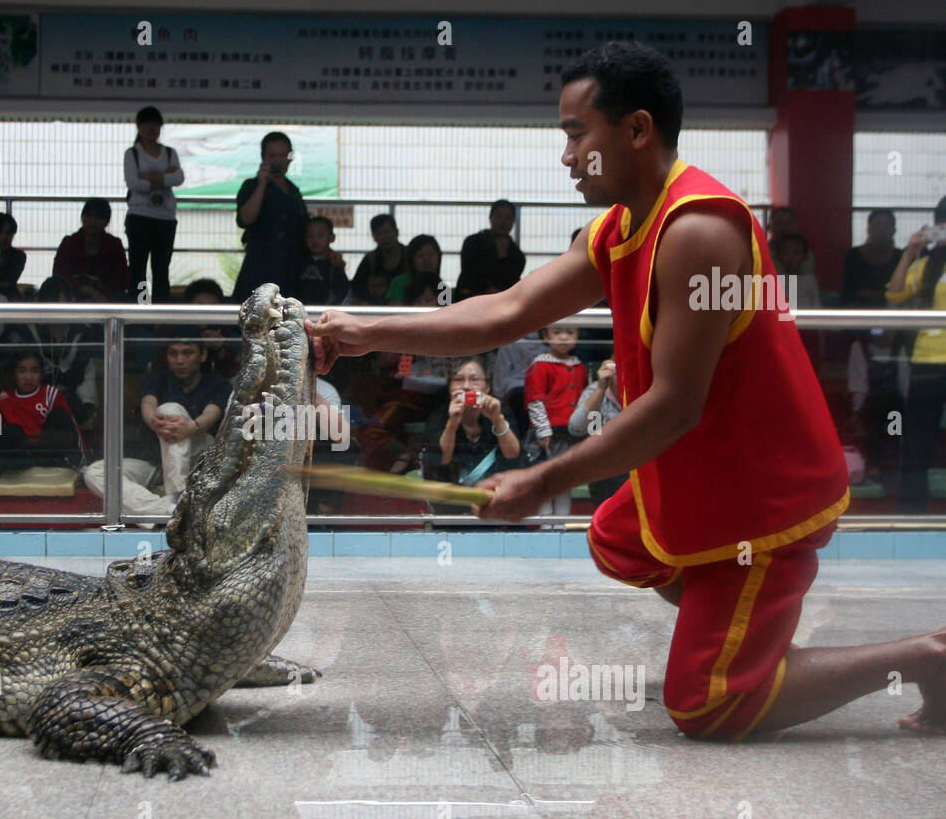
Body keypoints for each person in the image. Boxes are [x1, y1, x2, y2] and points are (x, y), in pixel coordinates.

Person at [308, 42, 944, 739]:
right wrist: (369, 330)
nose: (566, 154)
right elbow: (508, 309)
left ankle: (920, 656)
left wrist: (541, 478)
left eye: (576, 133)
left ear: (636, 131)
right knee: (619, 537)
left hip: (762, 497)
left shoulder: (697, 230)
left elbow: (674, 407)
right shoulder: (617, 228)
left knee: (707, 707)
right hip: (704, 477)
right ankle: (743, 635)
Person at [82, 325, 231, 522]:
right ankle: (167, 510)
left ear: (202, 355)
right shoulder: (157, 378)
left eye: (188, 353)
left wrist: (192, 427)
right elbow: (148, 404)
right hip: (157, 462)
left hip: (200, 458)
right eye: (173, 354)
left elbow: (212, 412)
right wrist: (154, 420)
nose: (180, 360)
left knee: (170, 411)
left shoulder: (217, 383)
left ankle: (177, 495)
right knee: (95, 472)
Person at [886, 196, 946, 513]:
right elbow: (895, 293)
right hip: (928, 363)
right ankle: (912, 513)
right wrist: (910, 252)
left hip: (931, 366)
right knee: (918, 442)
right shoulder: (927, 265)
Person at [0, 350, 84, 488]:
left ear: (41, 374)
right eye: (22, 371)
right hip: (19, 456)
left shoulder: (50, 393)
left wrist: (83, 460)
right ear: (14, 375)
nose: (28, 377)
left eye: (34, 371)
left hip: (45, 452)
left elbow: (72, 427)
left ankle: (80, 467)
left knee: (60, 415)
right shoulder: (4, 397)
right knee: (8, 429)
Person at [6, 276, 100, 428]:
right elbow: (27, 366)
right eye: (53, 303)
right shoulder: (31, 330)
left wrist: (61, 389)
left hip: (74, 392)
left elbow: (79, 371)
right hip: (36, 392)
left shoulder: (83, 331)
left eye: (63, 304)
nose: (58, 310)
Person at [232, 132, 308, 300]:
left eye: (283, 155)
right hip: (260, 264)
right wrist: (262, 184)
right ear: (263, 157)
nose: (278, 160)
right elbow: (245, 219)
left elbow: (305, 228)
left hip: (291, 267)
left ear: (291, 158)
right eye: (272, 155)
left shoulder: (294, 190)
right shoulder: (251, 186)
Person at [423, 358, 521, 485]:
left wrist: (497, 420)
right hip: (452, 494)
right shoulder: (439, 416)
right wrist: (452, 424)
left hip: (494, 489)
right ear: (449, 387)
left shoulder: (499, 410)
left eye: (475, 380)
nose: (466, 387)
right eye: (458, 380)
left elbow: (512, 454)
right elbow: (442, 459)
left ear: (487, 387)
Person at [523, 323, 587, 516]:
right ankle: (545, 526)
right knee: (546, 480)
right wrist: (543, 431)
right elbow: (534, 400)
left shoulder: (580, 366)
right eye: (557, 332)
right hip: (548, 432)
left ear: (578, 334)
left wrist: (592, 431)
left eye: (570, 332)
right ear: (546, 334)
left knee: (565, 482)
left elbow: (587, 399)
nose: (563, 337)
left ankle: (562, 523)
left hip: (571, 432)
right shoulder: (540, 364)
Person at [124, 105, 183, 303]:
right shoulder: (132, 153)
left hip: (165, 218)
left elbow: (179, 178)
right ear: (139, 127)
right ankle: (140, 308)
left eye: (155, 124)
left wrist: (148, 176)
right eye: (147, 124)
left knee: (161, 269)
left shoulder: (169, 152)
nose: (151, 129)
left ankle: (160, 311)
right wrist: (164, 176)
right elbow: (133, 183)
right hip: (139, 217)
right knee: (138, 268)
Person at [567, 356, 627, 505]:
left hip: (636, 465)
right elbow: (576, 428)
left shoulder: (642, 388)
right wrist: (601, 389)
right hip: (605, 469)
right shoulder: (596, 390)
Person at [53, 198, 129, 299]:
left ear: (107, 222)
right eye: (88, 215)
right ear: (82, 217)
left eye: (99, 217)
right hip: (73, 296)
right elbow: (59, 276)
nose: (92, 221)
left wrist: (102, 294)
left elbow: (121, 277)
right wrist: (87, 290)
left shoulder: (114, 244)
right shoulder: (69, 243)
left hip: (107, 298)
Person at [456, 199, 527, 300]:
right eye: (498, 216)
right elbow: (469, 274)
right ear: (490, 218)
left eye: (508, 218)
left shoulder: (517, 256)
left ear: (513, 221)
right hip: (470, 297)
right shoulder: (472, 242)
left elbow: (509, 281)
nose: (503, 221)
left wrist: (503, 256)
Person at [842, 210, 901, 310]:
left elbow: (902, 293)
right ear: (868, 229)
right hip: (858, 314)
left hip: (892, 314)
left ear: (893, 231)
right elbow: (848, 292)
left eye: (886, 226)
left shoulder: (901, 257)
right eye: (877, 225)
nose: (881, 230)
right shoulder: (854, 255)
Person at [187, 278, 242, 382]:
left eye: (212, 308)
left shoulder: (223, 328)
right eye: (200, 307)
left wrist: (220, 349)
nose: (205, 313)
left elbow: (230, 372)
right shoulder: (175, 327)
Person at [350, 214, 407, 305]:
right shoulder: (370, 259)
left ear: (396, 232)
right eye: (379, 234)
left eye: (387, 232)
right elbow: (356, 289)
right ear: (373, 237)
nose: (384, 237)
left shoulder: (409, 255)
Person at [293, 216, 350, 307]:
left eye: (320, 235)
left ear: (332, 238)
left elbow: (342, 291)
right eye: (310, 236)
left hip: (326, 311)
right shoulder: (298, 262)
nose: (315, 240)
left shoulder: (334, 263)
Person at [384, 234, 442, 304]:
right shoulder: (399, 283)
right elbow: (395, 311)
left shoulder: (442, 285)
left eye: (431, 255)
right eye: (420, 256)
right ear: (411, 259)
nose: (427, 260)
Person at [775, 232, 821, 309]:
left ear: (805, 256)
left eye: (796, 253)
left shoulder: (809, 279)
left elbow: (817, 305)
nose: (791, 257)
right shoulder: (776, 279)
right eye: (786, 253)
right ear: (779, 256)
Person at [766, 206, 815, 276]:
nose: (784, 227)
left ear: (795, 226)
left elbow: (806, 281)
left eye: (789, 223)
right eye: (778, 223)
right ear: (769, 227)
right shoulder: (760, 253)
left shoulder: (805, 254)